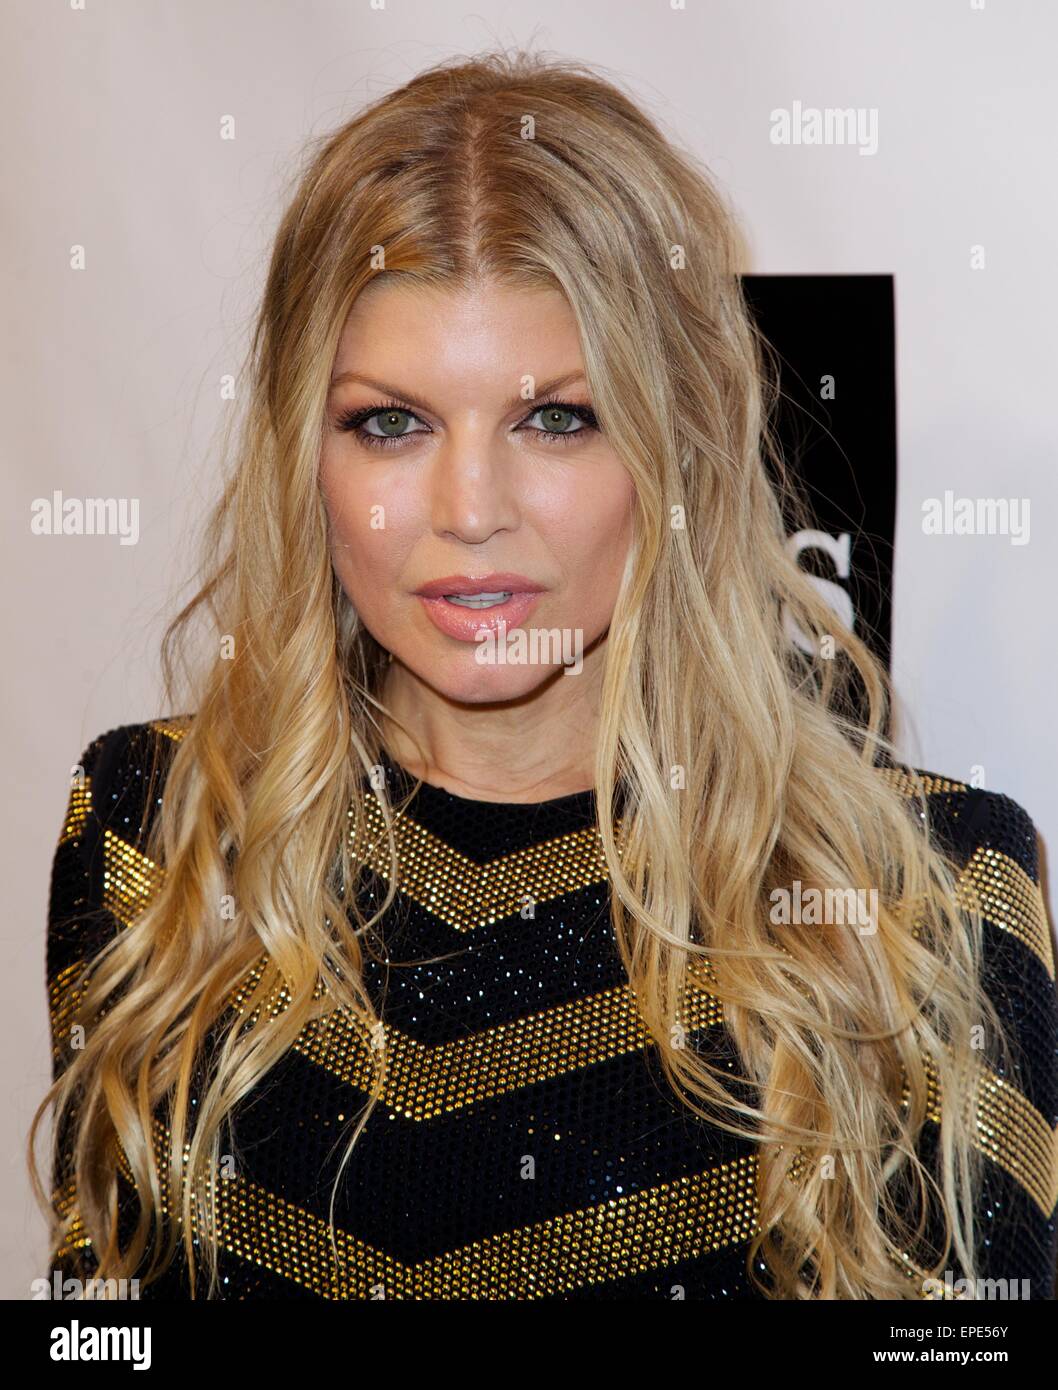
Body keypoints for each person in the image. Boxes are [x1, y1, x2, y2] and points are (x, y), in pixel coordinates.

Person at [31, 49, 1058, 1301]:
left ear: (677, 445)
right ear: (305, 451)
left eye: (555, 418)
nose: (469, 510)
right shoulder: (161, 831)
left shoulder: (923, 899)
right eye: (389, 422)